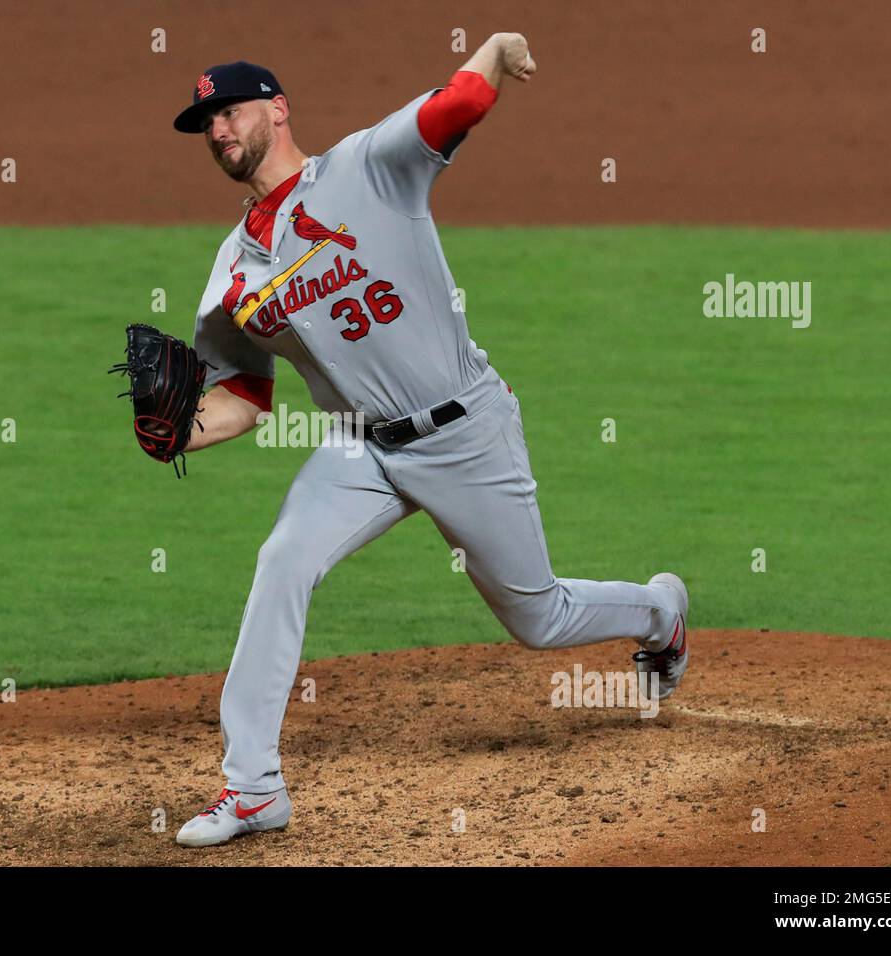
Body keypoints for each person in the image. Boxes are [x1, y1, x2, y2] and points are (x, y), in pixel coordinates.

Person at [168, 33, 688, 849]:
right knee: (283, 561)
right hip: (362, 449)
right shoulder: (231, 269)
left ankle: (660, 612)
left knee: (537, 618)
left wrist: (493, 51)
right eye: (206, 123)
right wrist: (178, 434)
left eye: (229, 111)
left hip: (464, 431)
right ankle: (253, 787)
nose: (219, 130)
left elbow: (457, 106)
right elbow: (245, 397)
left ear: (276, 108)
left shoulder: (365, 168)